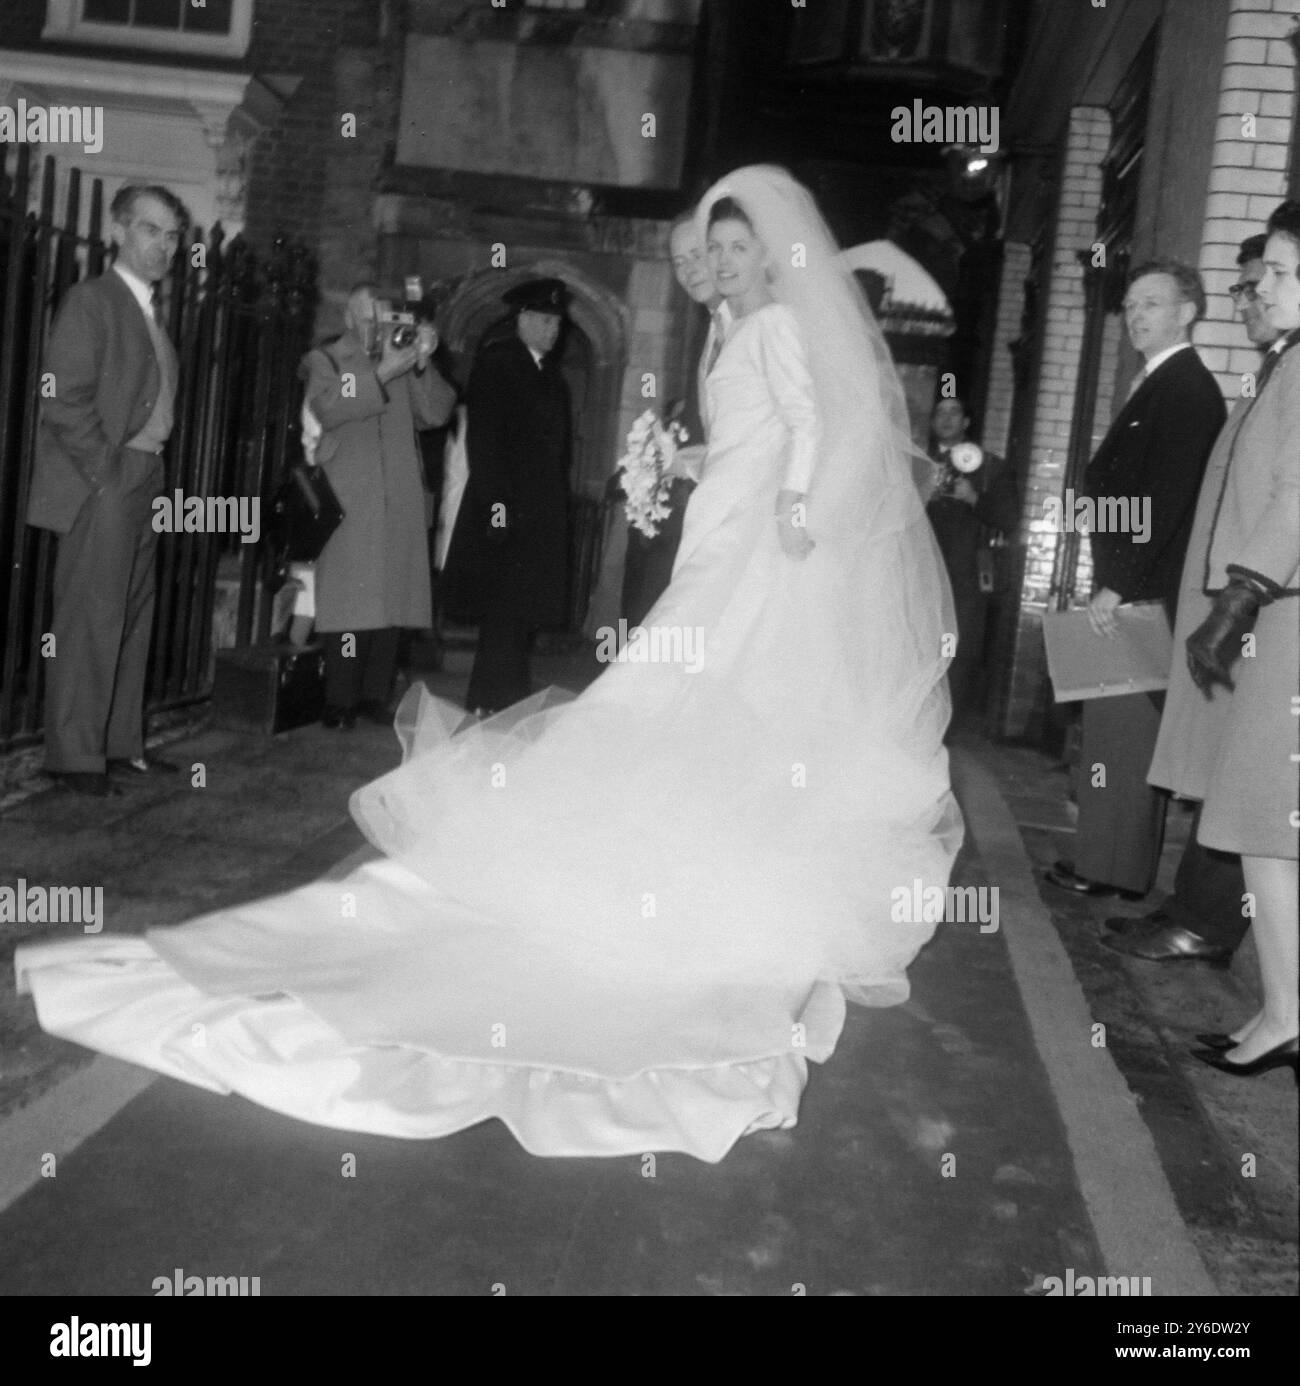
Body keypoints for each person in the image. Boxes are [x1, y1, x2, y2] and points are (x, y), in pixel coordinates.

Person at [15, 166, 962, 1162]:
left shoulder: (763, 328)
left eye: (731, 252)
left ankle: (701, 848)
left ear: (768, 255)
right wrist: (676, 466)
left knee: (705, 684)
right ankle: (89, 747)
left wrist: (788, 502)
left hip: (752, 541)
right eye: (710, 253)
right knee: (683, 683)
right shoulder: (333, 356)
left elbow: (803, 426)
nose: (719, 267)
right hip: (712, 531)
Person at [1148, 202, 1299, 1077]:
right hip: (1275, 620)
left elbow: (1295, 497)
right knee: (1263, 831)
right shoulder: (1286, 365)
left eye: (1281, 273)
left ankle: (1285, 1015)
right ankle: (1283, 1012)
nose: (1265, 287)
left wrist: (1235, 602)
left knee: (1267, 829)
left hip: (1282, 621)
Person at [1104, 235, 1276, 964]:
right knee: (1211, 767)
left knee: (1231, 771)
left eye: (1267, 281)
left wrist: (1236, 594)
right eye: (1246, 286)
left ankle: (1203, 919)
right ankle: (1191, 909)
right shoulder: (1263, 375)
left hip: (1254, 601)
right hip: (1229, 597)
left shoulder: (1198, 386)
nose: (1254, 298)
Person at [1046, 261, 1226, 902]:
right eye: (1129, 304)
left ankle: (1114, 871)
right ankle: (1106, 863)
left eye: (1153, 302)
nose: (1136, 315)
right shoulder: (1159, 382)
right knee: (1112, 731)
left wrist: (1118, 584)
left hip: (1142, 591)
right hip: (1131, 584)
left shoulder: (1185, 388)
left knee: (1122, 732)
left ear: (1188, 311)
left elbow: (1167, 496)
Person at [27, 184, 188, 796]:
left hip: (146, 473)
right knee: (92, 615)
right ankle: (73, 755)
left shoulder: (148, 311)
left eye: (172, 235)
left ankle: (118, 746)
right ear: (118, 230)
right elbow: (59, 397)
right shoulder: (92, 301)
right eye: (150, 230)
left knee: (131, 615)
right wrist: (109, 471)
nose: (163, 246)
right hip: (110, 478)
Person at [301, 284, 456, 729]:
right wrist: (382, 373)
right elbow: (328, 409)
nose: (377, 327)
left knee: (393, 600)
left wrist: (422, 362)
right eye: (367, 319)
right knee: (351, 601)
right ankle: (339, 700)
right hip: (352, 496)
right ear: (350, 319)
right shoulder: (328, 360)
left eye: (382, 319)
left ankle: (374, 696)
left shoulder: (402, 360)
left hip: (400, 496)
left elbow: (438, 413)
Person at [441, 278, 573, 716]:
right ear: (521, 320)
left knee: (521, 615)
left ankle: (506, 700)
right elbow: (486, 446)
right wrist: (498, 513)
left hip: (538, 513)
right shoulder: (499, 364)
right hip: (505, 512)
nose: (551, 330)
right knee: (502, 612)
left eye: (555, 321)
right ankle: (490, 702)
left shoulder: (549, 373)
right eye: (541, 320)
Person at [618, 213, 731, 626]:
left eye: (697, 255)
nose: (687, 271)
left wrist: (688, 461)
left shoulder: (755, 327)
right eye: (678, 261)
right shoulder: (714, 326)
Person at [923, 394, 1019, 716]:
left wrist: (975, 497)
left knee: (956, 647)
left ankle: (947, 723)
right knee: (918, 642)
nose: (947, 418)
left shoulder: (990, 466)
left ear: (966, 422)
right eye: (940, 413)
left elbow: (1008, 517)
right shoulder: (917, 463)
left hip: (965, 573)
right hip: (922, 570)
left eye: (954, 411)